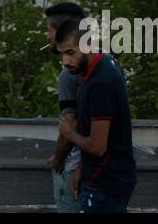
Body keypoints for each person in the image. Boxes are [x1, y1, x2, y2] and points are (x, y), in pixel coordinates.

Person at [53, 17, 137, 212]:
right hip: (102, 176)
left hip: (106, 182)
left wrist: (69, 133)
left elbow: (98, 147)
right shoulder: (100, 65)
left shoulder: (101, 82)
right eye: (61, 54)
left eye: (70, 53)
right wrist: (83, 168)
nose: (65, 61)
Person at [45, 3, 88, 213]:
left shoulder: (69, 76)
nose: (47, 36)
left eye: (50, 30)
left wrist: (58, 160)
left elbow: (69, 125)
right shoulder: (102, 67)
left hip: (74, 167)